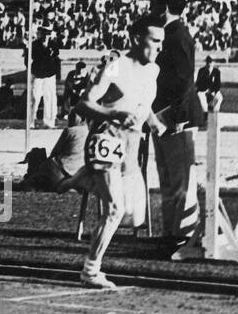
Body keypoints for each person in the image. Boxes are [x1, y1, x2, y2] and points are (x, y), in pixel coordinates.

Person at [68, 15, 167, 290]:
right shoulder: (115, 67)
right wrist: (111, 112)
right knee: (114, 209)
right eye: (154, 41)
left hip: (132, 144)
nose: (159, 47)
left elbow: (142, 104)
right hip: (107, 140)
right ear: (137, 39)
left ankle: (83, 178)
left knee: (135, 215)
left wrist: (156, 124)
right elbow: (83, 104)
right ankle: (91, 270)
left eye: (162, 42)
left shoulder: (153, 71)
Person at [149, 0, 205, 246]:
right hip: (164, 115)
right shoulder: (169, 34)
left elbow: (184, 81)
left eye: (155, 4)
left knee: (181, 177)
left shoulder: (179, 35)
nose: (151, 8)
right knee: (168, 176)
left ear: (164, 7)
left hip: (177, 116)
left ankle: (183, 232)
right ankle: (171, 230)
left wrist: (179, 117)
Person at [29, 28, 61, 129]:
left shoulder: (53, 44)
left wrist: (55, 71)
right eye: (43, 34)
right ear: (40, 34)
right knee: (35, 97)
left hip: (49, 74)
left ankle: (49, 122)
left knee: (50, 97)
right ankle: (30, 121)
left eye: (47, 34)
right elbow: (31, 58)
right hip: (38, 73)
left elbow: (56, 58)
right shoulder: (34, 44)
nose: (45, 36)